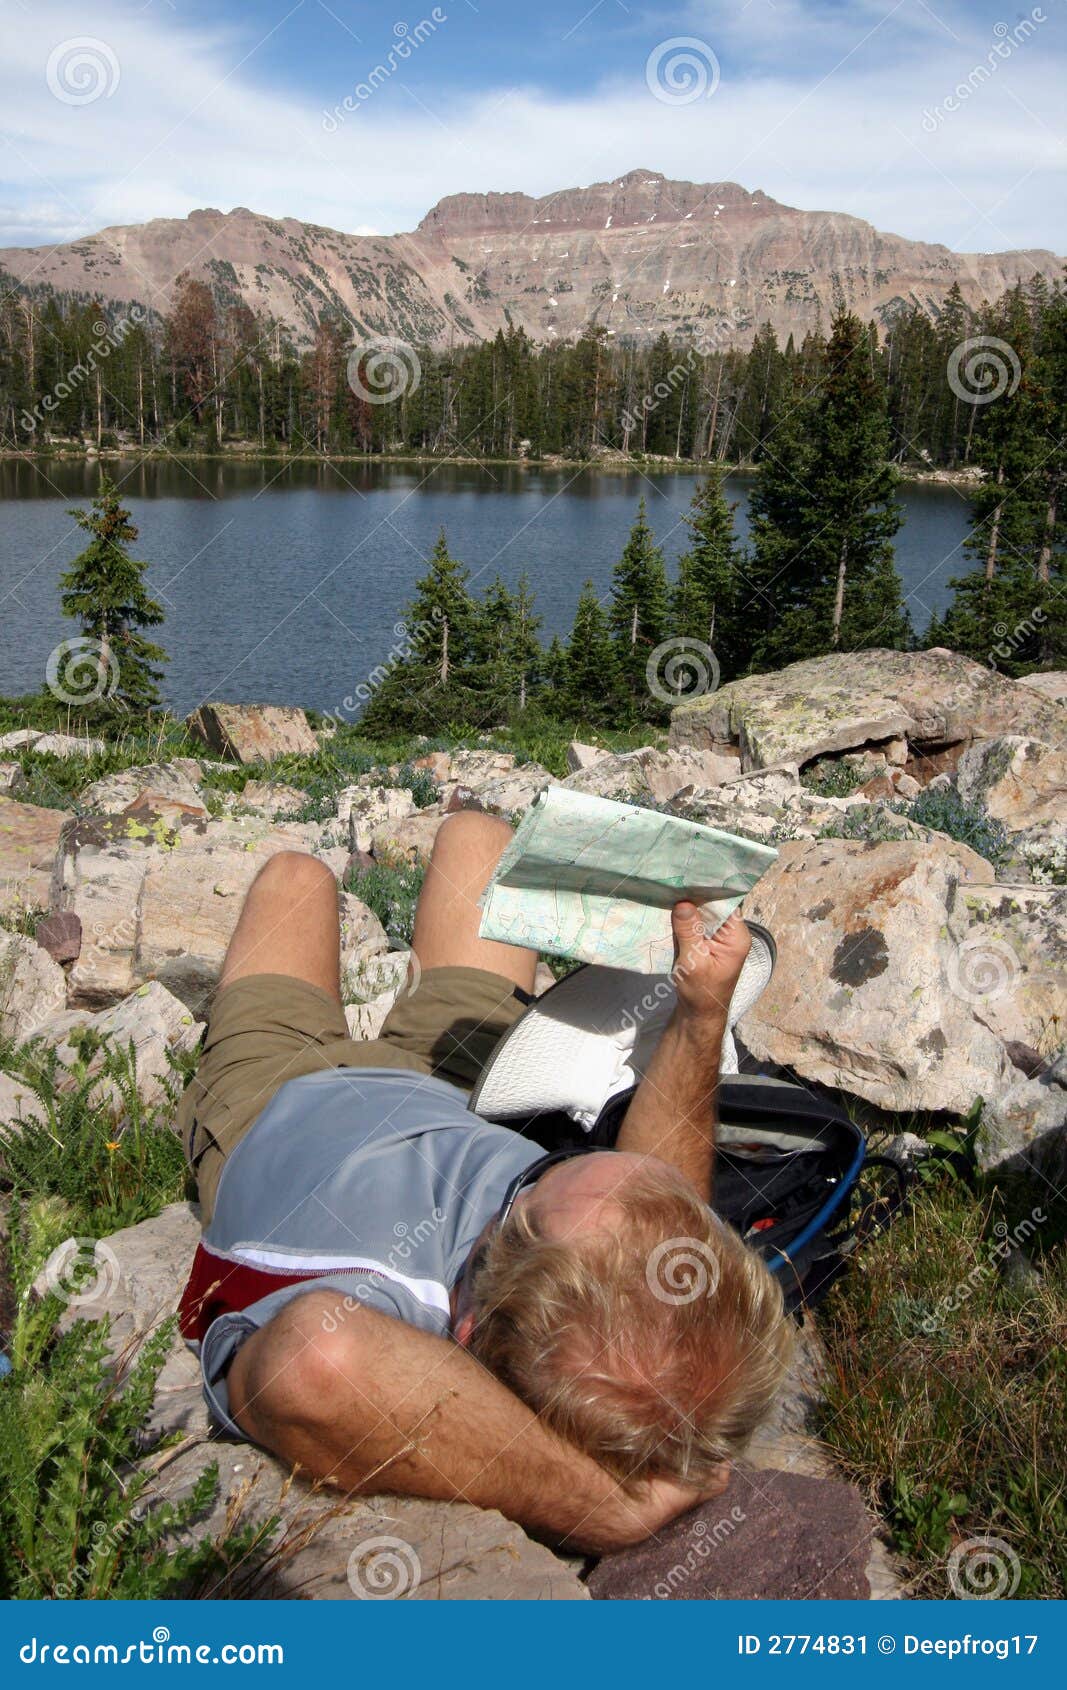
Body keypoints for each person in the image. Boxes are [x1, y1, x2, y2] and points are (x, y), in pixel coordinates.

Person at [177, 810, 792, 1553]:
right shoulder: (606, 1273)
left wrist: (601, 1504)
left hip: (277, 1104)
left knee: (295, 878)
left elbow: (312, 1365)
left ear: (468, 1326)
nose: (546, 1169)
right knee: (478, 836)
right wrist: (699, 1016)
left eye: (527, 1193)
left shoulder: (384, 1307)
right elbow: (665, 1199)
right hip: (461, 1092)